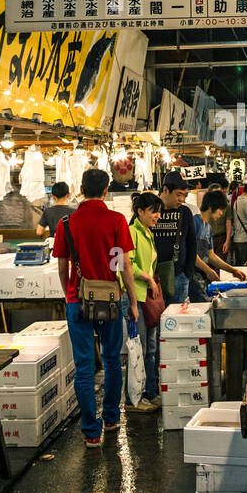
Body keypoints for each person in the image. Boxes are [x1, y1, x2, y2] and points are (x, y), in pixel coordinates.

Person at [53, 168, 138, 448]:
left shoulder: (67, 223)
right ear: (106, 191)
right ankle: (112, 418)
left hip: (77, 300)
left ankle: (91, 432)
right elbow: (122, 265)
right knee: (113, 360)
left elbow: (62, 266)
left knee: (84, 366)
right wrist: (133, 302)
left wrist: (69, 294)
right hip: (110, 299)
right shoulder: (116, 220)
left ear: (80, 188)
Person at [127, 192, 163, 413]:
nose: (157, 215)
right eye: (153, 211)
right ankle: (133, 398)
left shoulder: (148, 233)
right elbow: (126, 267)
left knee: (150, 348)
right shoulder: (132, 232)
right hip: (135, 299)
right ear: (140, 211)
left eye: (158, 211)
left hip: (147, 299)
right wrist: (148, 278)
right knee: (136, 350)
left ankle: (150, 392)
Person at [191, 189, 247, 301]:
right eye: (220, 210)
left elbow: (211, 255)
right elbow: (192, 255)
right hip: (191, 277)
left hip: (201, 277)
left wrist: (233, 271)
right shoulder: (194, 223)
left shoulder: (208, 228)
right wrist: (208, 270)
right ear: (211, 207)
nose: (221, 214)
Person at [153, 172, 197, 304]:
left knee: (175, 321)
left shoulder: (185, 212)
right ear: (165, 190)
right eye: (179, 195)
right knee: (153, 319)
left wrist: (187, 274)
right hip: (152, 279)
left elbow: (192, 244)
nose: (182, 200)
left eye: (185, 196)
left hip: (179, 277)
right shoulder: (148, 210)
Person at [206, 174, 230, 260]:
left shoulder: (226, 206)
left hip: (221, 238)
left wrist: (227, 241)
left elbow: (228, 223)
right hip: (208, 238)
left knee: (220, 264)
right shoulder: (205, 207)